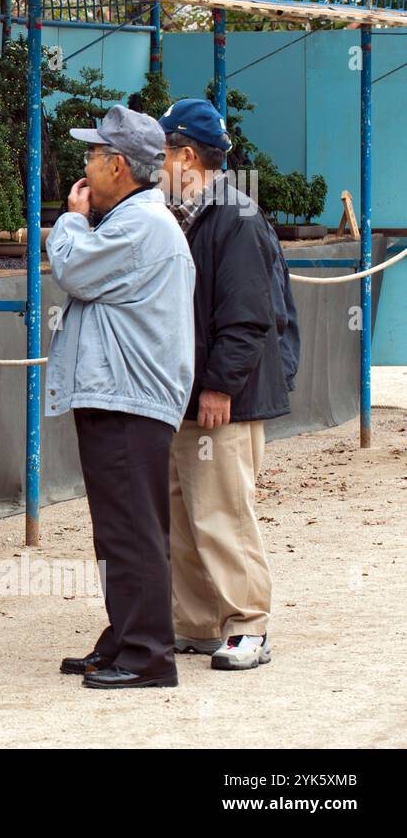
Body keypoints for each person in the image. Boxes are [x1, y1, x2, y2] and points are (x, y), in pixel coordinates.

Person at [47, 105, 196, 689]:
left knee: (132, 528)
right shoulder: (134, 220)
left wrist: (71, 220)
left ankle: (148, 655)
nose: (83, 163)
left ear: (116, 167)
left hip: (130, 398)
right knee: (118, 528)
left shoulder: (141, 224)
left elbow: (74, 271)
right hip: (118, 396)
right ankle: (124, 638)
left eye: (91, 154)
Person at [157, 99, 297, 671]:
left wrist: (219, 386)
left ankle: (247, 625)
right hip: (186, 392)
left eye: (162, 151)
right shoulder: (189, 213)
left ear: (187, 156)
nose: (154, 162)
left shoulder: (233, 216)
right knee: (183, 510)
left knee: (222, 511)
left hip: (223, 397)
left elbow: (247, 315)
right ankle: (195, 622)